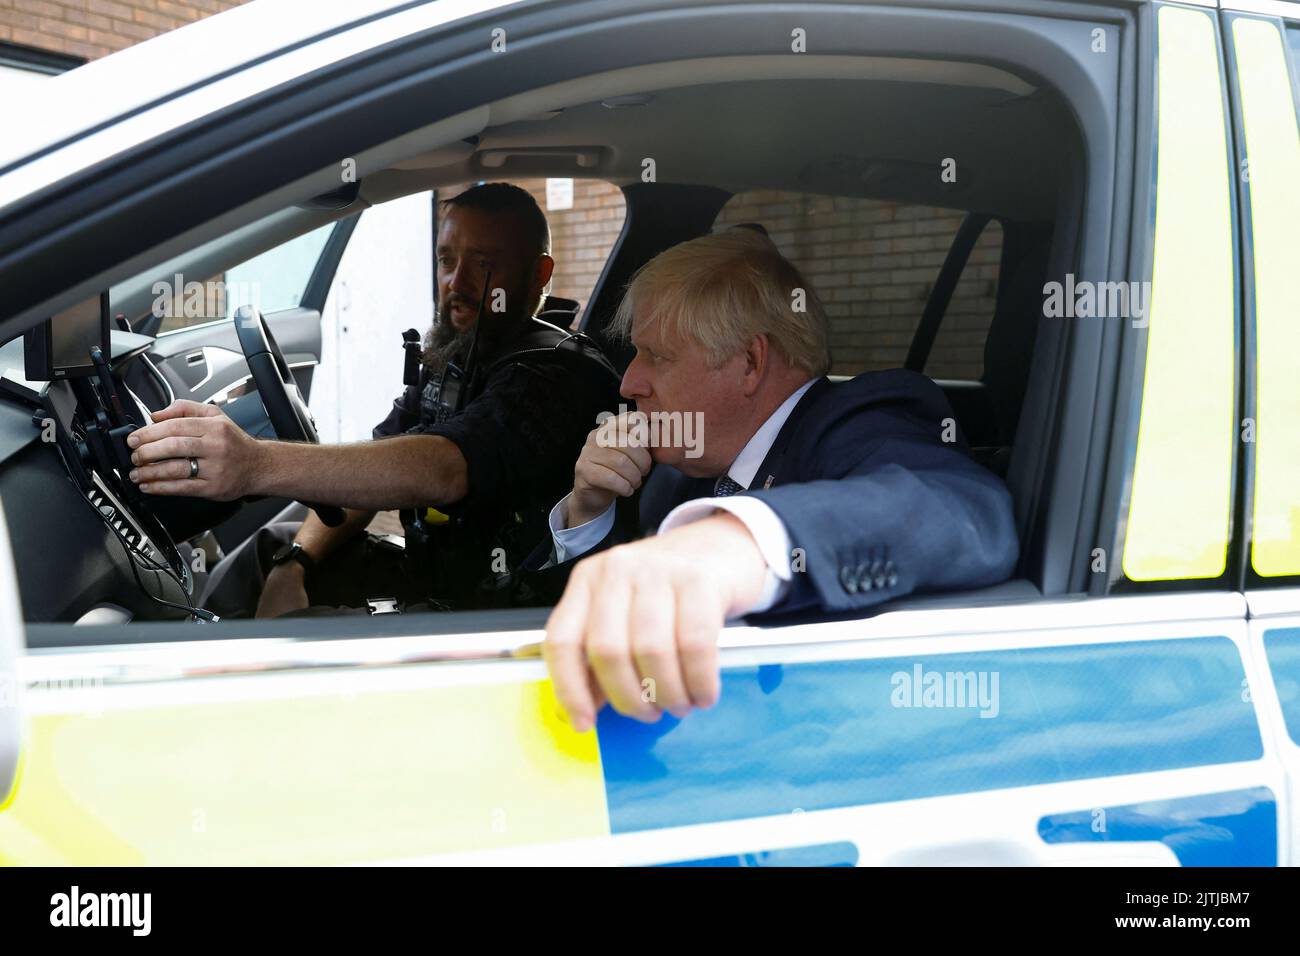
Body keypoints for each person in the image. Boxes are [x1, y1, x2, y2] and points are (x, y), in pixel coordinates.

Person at [533, 228, 1019, 731]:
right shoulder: (679, 473)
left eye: (658, 355)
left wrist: (734, 545)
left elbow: (962, 508)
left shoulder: (855, 424)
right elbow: (577, 642)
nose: (629, 382)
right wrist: (588, 510)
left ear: (750, 362)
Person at [127, 182, 620, 616]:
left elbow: (442, 468)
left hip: (499, 612)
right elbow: (384, 457)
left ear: (539, 275)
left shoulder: (554, 375)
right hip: (432, 577)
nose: (457, 283)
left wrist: (253, 464)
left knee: (306, 632)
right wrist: (294, 568)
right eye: (448, 260)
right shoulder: (458, 358)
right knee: (275, 549)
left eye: (484, 264)